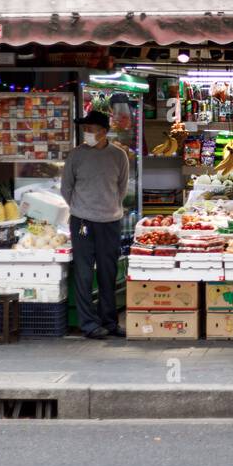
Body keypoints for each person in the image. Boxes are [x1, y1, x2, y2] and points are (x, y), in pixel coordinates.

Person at [62, 110, 129, 340]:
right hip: (82, 221)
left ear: (104, 132)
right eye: (85, 129)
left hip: (110, 221)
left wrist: (108, 206)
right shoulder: (76, 155)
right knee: (83, 271)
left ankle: (109, 321)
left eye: (91, 129)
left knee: (108, 271)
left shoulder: (118, 156)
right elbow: (66, 188)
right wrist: (82, 209)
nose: (87, 133)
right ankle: (89, 324)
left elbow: (122, 187)